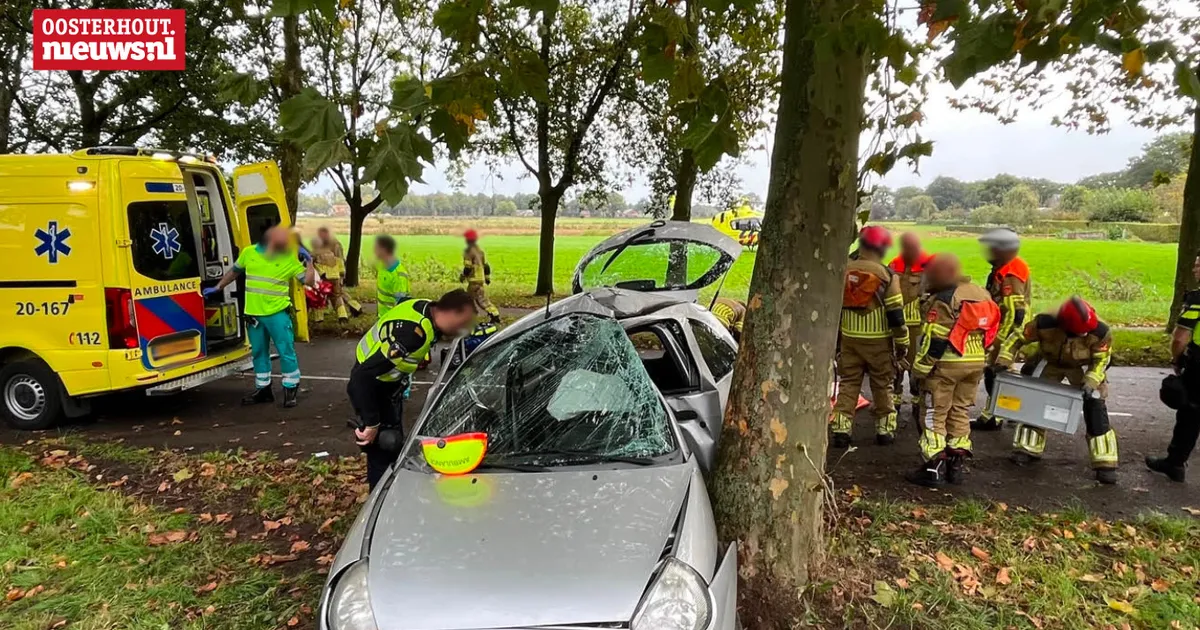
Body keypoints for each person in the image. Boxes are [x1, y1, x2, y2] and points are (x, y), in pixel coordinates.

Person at [348, 289, 478, 488]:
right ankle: (380, 497)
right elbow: (360, 378)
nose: (463, 330)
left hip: (387, 384)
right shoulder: (412, 335)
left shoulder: (425, 307)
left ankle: (389, 485)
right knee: (385, 444)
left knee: (393, 445)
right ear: (451, 313)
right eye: (463, 323)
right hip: (372, 386)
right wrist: (372, 422)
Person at [994, 296, 1119, 484]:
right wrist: (1003, 360)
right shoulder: (1044, 322)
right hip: (1050, 362)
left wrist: (1092, 381)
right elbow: (1017, 338)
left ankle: (1105, 462)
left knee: (1095, 405)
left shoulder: (1100, 331)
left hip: (1085, 366)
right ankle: (1027, 448)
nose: (1084, 335)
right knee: (1035, 399)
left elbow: (1102, 360)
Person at [907, 254, 998, 487]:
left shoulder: (945, 298)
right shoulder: (981, 292)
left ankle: (932, 467)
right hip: (976, 361)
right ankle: (955, 467)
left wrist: (920, 370)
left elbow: (935, 339)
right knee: (959, 411)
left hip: (947, 363)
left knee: (933, 413)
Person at [207, 226, 315, 408]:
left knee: (286, 352)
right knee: (258, 353)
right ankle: (263, 390)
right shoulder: (249, 252)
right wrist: (218, 287)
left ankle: (290, 389)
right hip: (254, 315)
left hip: (277, 314)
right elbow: (234, 271)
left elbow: (309, 281)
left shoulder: (289, 257)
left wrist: (310, 262)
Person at [831, 226, 909, 448]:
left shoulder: (843, 270)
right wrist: (902, 341)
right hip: (879, 341)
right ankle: (885, 431)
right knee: (882, 385)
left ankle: (841, 429)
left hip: (849, 339)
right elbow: (895, 312)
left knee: (848, 384)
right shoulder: (886, 275)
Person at [1146, 251, 1200, 482]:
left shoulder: (1197, 299)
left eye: (1199, 266)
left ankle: (1175, 463)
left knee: (1190, 414)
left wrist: (1177, 360)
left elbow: (1180, 337)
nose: (1194, 270)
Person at [974, 228, 1031, 431]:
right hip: (1004, 327)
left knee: (996, 370)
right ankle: (1006, 412)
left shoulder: (1011, 273)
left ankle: (995, 415)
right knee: (1002, 372)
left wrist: (998, 340)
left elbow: (1015, 313)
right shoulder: (1003, 268)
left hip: (1008, 330)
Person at [888, 232, 934, 414]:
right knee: (896, 364)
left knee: (916, 366)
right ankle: (895, 397)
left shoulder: (928, 265)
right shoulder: (894, 264)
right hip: (896, 324)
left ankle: (918, 399)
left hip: (919, 326)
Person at [460, 229, 500, 324]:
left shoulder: (468, 251)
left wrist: (463, 276)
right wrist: (487, 278)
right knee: (477, 299)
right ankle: (493, 314)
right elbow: (486, 266)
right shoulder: (480, 251)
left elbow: (468, 267)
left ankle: (491, 315)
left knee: (474, 300)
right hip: (480, 279)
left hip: (473, 280)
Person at [373, 235, 411, 321]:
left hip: (392, 321)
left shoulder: (399, 276)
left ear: (384, 250)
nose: (374, 251)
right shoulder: (382, 267)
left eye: (376, 248)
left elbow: (401, 305)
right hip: (382, 319)